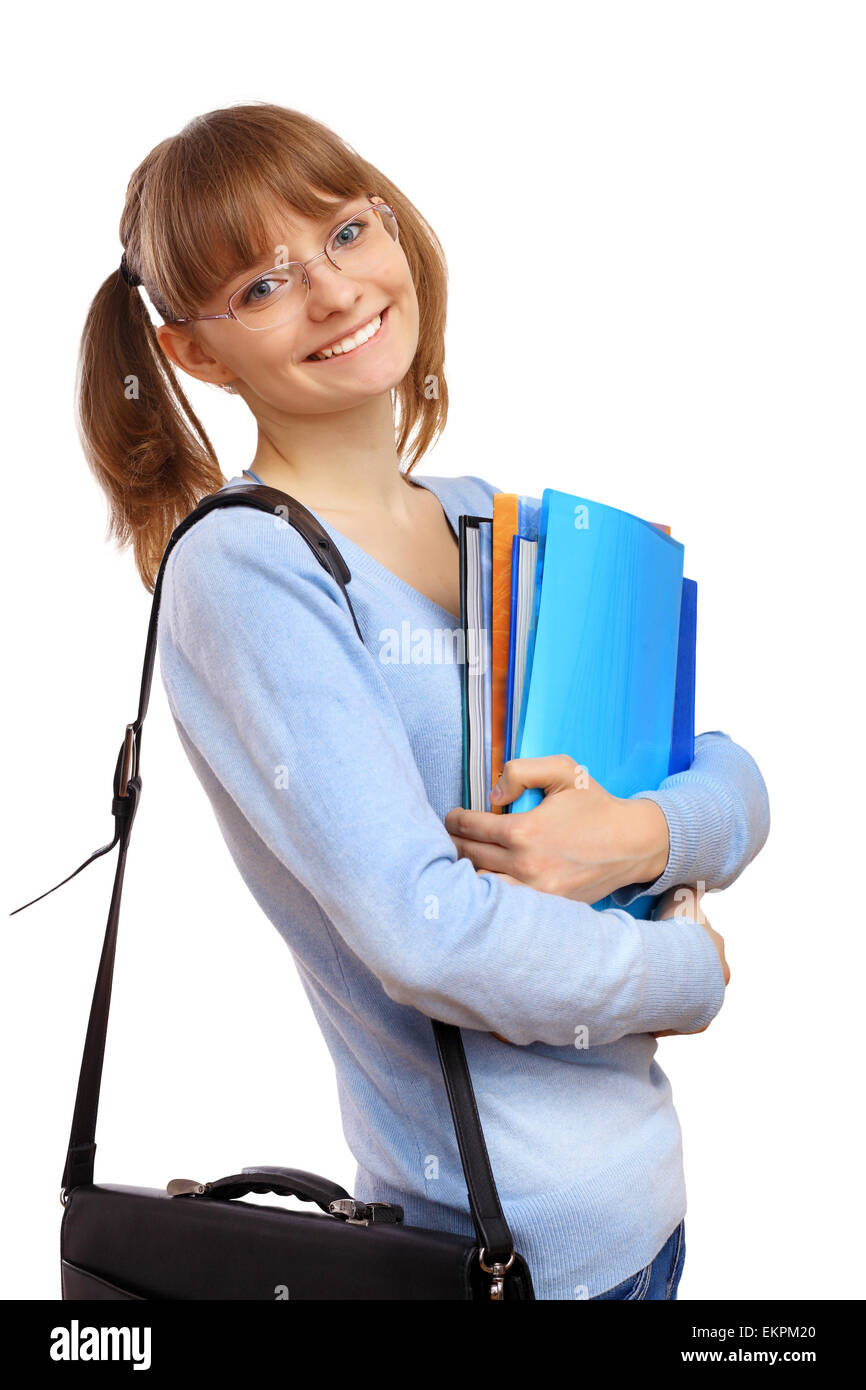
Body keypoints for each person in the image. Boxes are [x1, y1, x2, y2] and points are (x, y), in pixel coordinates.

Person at [76, 102, 770, 1300]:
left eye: (345, 233)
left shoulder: (487, 517)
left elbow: (725, 767)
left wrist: (635, 834)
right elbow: (426, 930)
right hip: (506, 1254)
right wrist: (687, 974)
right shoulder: (248, 568)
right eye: (258, 286)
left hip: (646, 1213)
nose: (333, 291)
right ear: (192, 351)